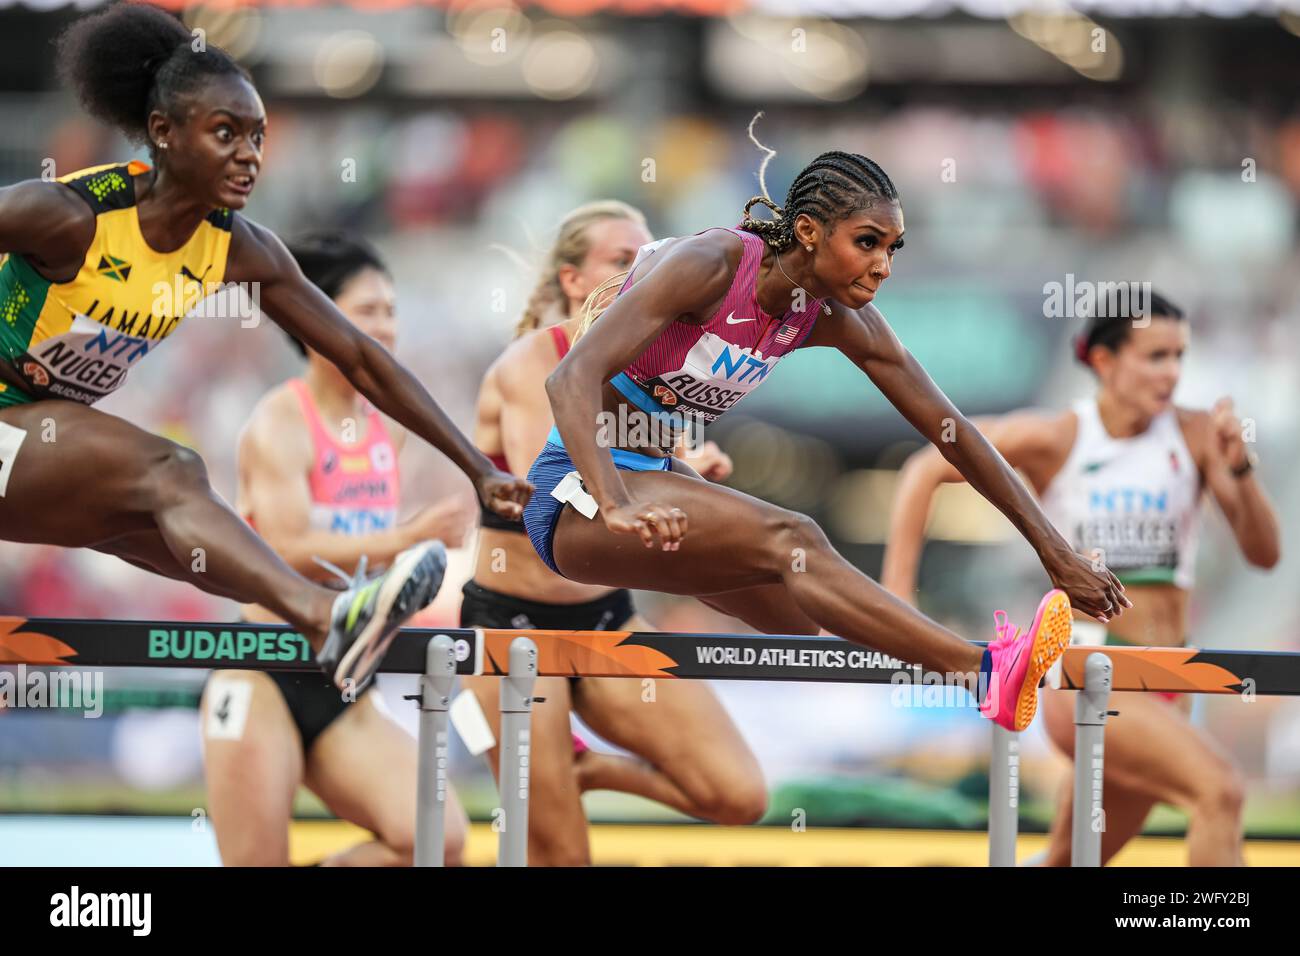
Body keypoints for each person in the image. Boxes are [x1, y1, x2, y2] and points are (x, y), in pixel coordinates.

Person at [522, 126, 1132, 733]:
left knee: (798, 616)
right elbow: (568, 380)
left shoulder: (832, 316)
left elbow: (953, 431)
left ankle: (966, 669)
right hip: (577, 492)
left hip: (654, 482)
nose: (883, 265)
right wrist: (614, 499)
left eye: (893, 248)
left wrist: (1054, 551)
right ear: (809, 232)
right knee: (799, 537)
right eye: (868, 242)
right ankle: (983, 672)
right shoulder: (708, 265)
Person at [0, 5, 529, 694]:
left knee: (188, 544)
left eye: (257, 137)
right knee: (172, 468)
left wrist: (476, 470)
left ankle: (317, 629)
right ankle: (326, 620)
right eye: (226, 134)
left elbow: (361, 358)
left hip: (31, 452)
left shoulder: (237, 249)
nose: (250, 155)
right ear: (163, 133)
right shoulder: (68, 216)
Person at [882, 288, 1280, 866]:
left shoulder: (1195, 436)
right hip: (1089, 671)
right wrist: (897, 602)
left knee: (1071, 859)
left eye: (1179, 356)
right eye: (1155, 356)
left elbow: (1263, 553)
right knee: (1220, 791)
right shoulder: (1059, 437)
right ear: (1104, 361)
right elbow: (925, 468)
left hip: (1171, 676)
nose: (1171, 373)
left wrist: (1240, 467)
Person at [462, 201, 765, 866]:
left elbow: (648, 464)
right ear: (574, 281)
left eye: (649, 257)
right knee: (561, 858)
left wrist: (686, 470)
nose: (644, 271)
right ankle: (557, 780)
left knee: (739, 796)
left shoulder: (649, 370)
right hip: (511, 633)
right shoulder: (528, 364)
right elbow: (554, 491)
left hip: (604, 623)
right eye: (623, 261)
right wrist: (671, 476)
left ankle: (590, 768)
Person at [202, 232, 472, 866]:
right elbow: (285, 549)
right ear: (317, 316)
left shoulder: (388, 429)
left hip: (341, 678)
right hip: (261, 669)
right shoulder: (279, 422)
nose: (386, 326)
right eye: (367, 310)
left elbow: (360, 556)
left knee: (440, 841)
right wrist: (408, 538)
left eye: (391, 310)